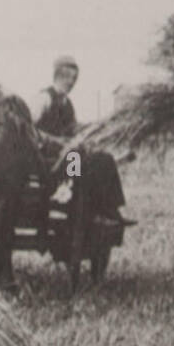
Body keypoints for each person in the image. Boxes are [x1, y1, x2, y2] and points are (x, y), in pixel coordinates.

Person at [31, 55, 135, 229]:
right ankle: (72, 191)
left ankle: (110, 209)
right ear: (58, 76)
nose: (72, 83)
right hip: (46, 161)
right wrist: (56, 141)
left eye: (74, 79)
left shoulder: (67, 103)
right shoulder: (44, 99)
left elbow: (72, 129)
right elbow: (27, 128)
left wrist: (95, 126)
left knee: (104, 159)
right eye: (68, 78)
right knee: (78, 157)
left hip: (68, 158)